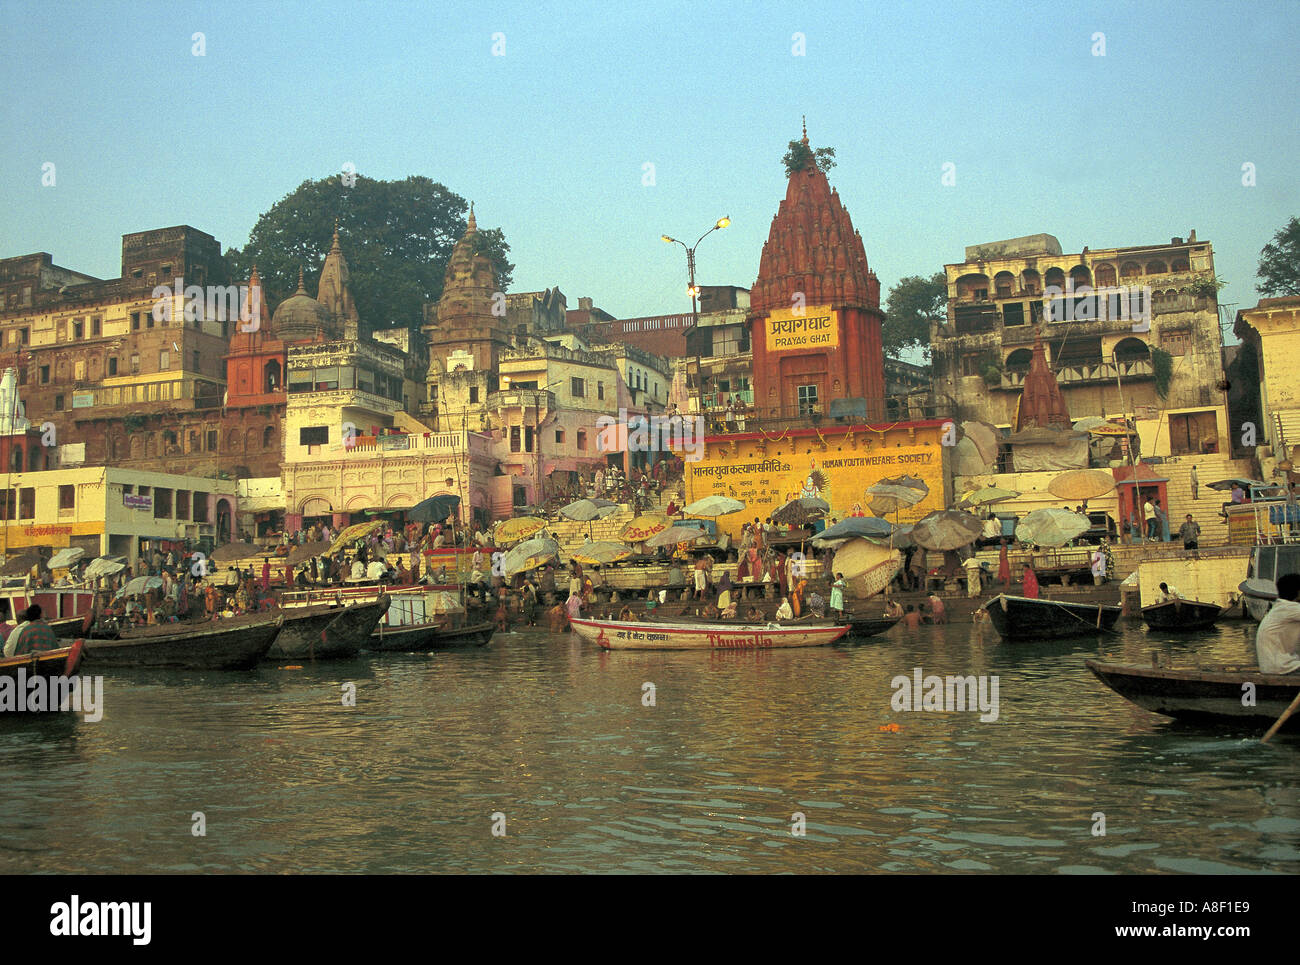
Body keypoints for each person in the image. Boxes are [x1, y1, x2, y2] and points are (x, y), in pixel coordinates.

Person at [1256, 573, 1300, 673]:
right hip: (1282, 667)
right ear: (1298, 592)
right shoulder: (1290, 608)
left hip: (1274, 667)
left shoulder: (1281, 607)